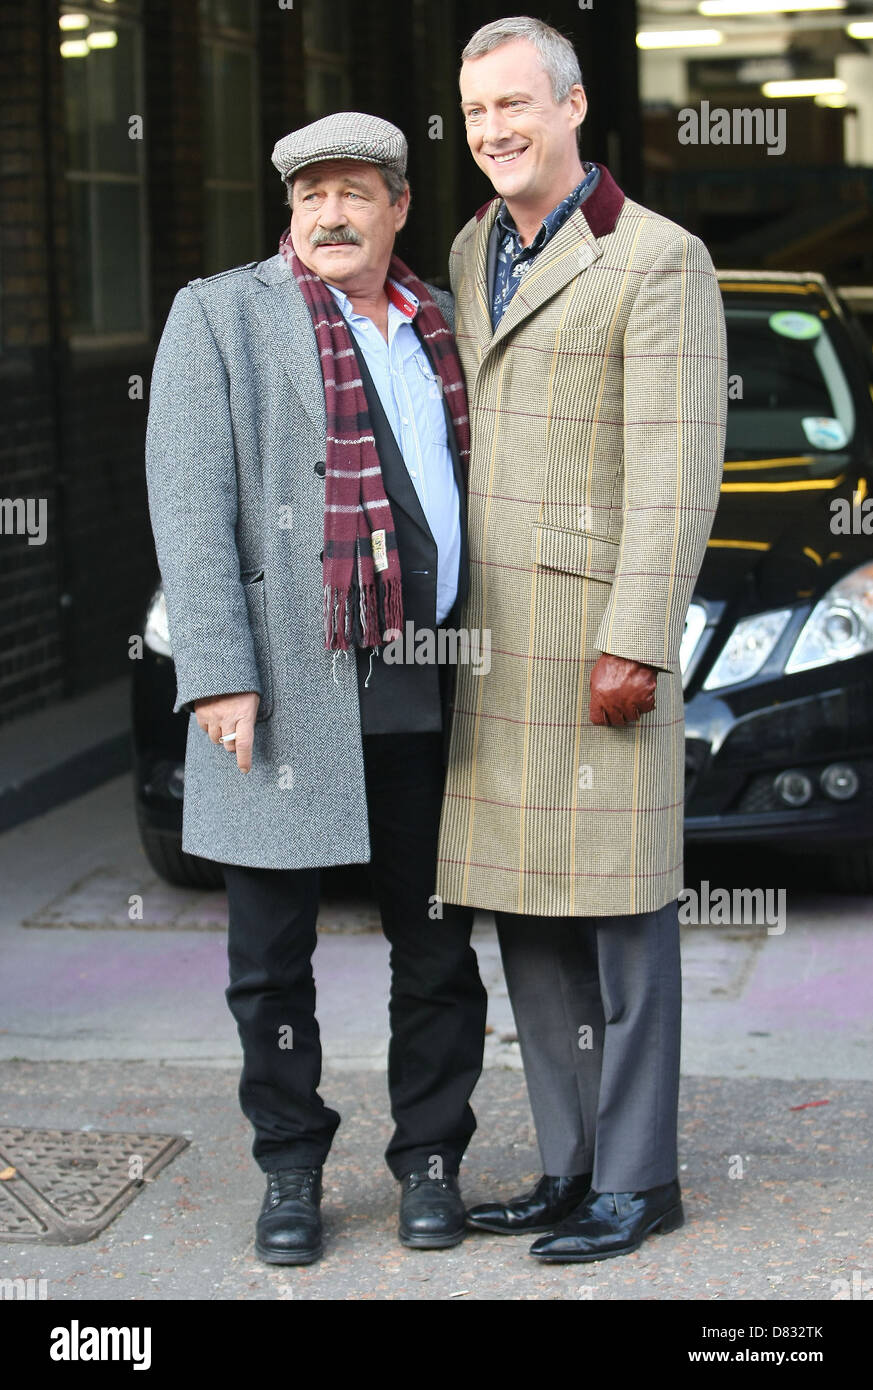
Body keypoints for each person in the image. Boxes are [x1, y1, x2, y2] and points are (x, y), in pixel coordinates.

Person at [145, 112, 487, 1265]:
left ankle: (432, 1156)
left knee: (434, 943)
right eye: (309, 196)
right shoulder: (223, 313)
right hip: (284, 685)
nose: (330, 215)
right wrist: (219, 676)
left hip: (430, 677)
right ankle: (290, 1167)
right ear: (290, 211)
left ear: (399, 207)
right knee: (270, 954)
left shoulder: (439, 320)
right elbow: (188, 509)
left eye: (354, 193)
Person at [436, 17, 728, 1262]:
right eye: (476, 114)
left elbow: (676, 467)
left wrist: (639, 639)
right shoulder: (466, 246)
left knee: (622, 912)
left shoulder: (656, 257)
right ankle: (568, 1164)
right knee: (526, 909)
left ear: (572, 107)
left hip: (595, 635)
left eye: (515, 106)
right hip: (491, 640)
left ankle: (641, 1175)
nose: (495, 132)